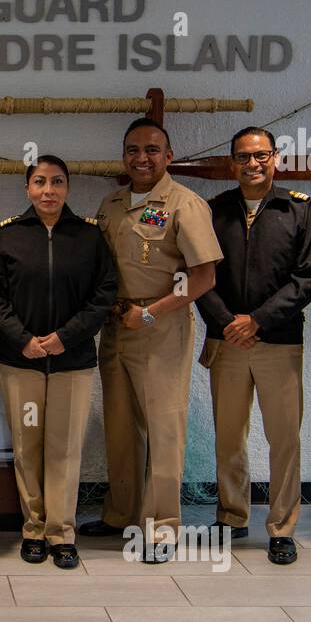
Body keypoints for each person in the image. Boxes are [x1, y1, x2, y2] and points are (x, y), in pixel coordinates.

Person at [78, 118, 223, 562]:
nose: (142, 157)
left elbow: (204, 276)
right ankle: (121, 514)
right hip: (116, 322)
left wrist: (153, 311)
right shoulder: (113, 202)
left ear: (168, 155)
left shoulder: (185, 204)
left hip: (162, 323)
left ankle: (162, 528)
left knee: (164, 429)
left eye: (152, 150)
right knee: (121, 426)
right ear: (123, 155)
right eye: (133, 149)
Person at [195, 126, 311, 565]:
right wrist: (227, 321)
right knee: (229, 435)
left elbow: (308, 278)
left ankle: (282, 526)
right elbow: (198, 274)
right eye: (243, 157)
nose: (253, 164)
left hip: (280, 342)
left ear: (275, 159)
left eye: (261, 156)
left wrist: (260, 320)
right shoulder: (214, 212)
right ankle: (232, 516)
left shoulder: (300, 211)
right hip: (226, 340)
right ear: (232, 163)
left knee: (283, 437)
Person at [0, 155, 117, 568]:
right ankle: (34, 530)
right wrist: (24, 340)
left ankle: (61, 532)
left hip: (72, 362)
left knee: (64, 448)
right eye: (39, 182)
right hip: (20, 362)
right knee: (28, 445)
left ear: (67, 188)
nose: (48, 190)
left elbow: (104, 293)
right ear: (28, 189)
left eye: (57, 182)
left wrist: (65, 337)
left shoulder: (89, 237)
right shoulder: (9, 236)